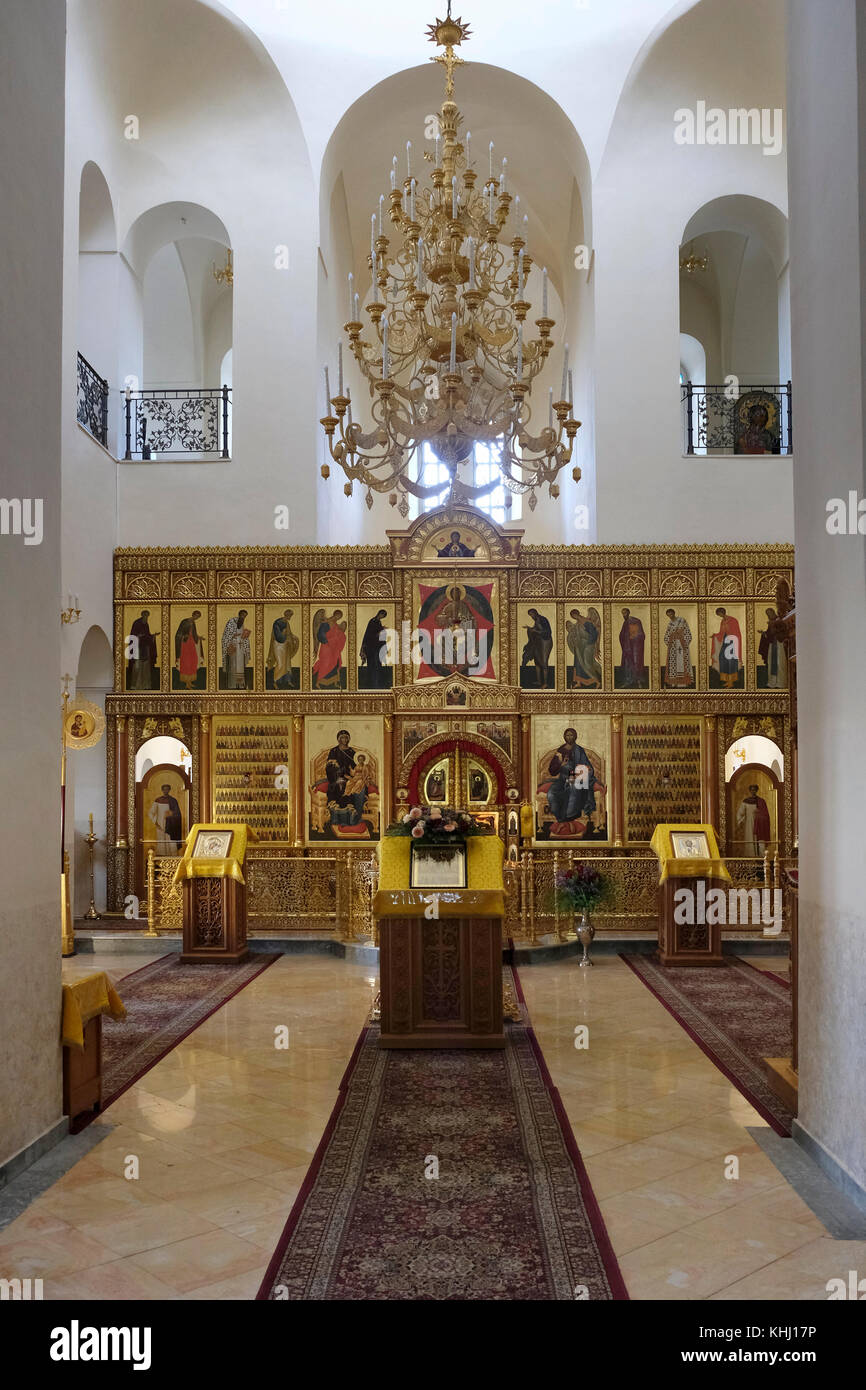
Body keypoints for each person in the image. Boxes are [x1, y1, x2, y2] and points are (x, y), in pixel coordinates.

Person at [546, 728, 596, 828]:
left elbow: (588, 767)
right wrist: (560, 763)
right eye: (567, 735)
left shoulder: (579, 750)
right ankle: (560, 818)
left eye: (571, 735)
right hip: (562, 779)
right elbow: (552, 771)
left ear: (575, 736)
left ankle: (569, 817)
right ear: (564, 737)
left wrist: (580, 775)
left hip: (577, 778)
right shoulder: (560, 751)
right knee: (551, 792)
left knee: (573, 788)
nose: (569, 737)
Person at [567, 607, 602, 687]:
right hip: (579, 647)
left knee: (587, 663)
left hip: (587, 646)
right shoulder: (577, 624)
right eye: (572, 617)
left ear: (576, 614)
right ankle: (579, 682)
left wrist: (587, 643)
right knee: (578, 664)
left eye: (574, 616)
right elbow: (575, 634)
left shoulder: (586, 621)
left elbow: (594, 635)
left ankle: (597, 681)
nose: (574, 618)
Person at [312, 609, 347, 689]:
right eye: (338, 616)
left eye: (340, 617)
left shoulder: (335, 625)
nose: (338, 618)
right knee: (325, 664)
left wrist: (341, 633)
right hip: (326, 648)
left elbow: (338, 635)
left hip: (333, 649)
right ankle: (318, 682)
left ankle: (334, 682)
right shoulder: (326, 623)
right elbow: (320, 635)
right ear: (335, 614)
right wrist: (329, 641)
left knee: (335, 664)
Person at [710, 607, 743, 687]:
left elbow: (736, 633)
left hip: (732, 642)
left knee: (731, 661)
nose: (719, 615)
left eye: (719, 614)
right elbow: (722, 633)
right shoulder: (723, 621)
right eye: (718, 614)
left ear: (722, 612)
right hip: (725, 642)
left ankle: (731, 681)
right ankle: (727, 680)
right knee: (722, 658)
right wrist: (715, 636)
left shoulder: (733, 620)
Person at [267, 609, 299, 689]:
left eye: (291, 616)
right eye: (289, 616)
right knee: (280, 664)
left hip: (285, 645)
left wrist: (293, 637)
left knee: (287, 664)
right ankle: (275, 681)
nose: (290, 617)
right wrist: (284, 635)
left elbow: (289, 634)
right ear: (286, 615)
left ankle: (287, 681)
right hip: (278, 645)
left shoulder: (286, 623)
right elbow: (278, 636)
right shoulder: (277, 623)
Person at [737, 783, 772, 856]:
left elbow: (766, 815)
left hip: (759, 825)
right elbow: (740, 813)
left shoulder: (761, 801)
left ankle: (761, 858)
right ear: (750, 791)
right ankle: (750, 856)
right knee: (750, 839)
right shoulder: (745, 801)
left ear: (757, 790)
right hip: (749, 824)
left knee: (759, 841)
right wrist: (741, 821)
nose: (753, 791)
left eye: (754, 790)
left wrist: (759, 813)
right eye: (752, 790)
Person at [127, 610, 159, 689]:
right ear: (142, 615)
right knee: (137, 667)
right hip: (137, 647)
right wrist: (138, 636)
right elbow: (133, 635)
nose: (146, 617)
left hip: (145, 648)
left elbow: (147, 635)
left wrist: (153, 636)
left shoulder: (146, 624)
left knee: (145, 667)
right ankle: (135, 686)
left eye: (147, 616)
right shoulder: (136, 623)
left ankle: (145, 685)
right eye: (145, 615)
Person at [663, 608, 693, 688]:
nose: (670, 616)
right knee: (673, 663)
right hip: (673, 646)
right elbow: (667, 635)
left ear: (674, 613)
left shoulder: (681, 620)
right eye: (668, 615)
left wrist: (682, 637)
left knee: (682, 662)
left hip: (682, 644)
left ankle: (683, 682)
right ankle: (674, 682)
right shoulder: (670, 624)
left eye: (671, 614)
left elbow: (687, 631)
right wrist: (669, 640)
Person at [522, 608, 553, 686]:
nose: (531, 616)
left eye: (532, 614)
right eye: (530, 615)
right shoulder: (536, 621)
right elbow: (535, 630)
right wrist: (529, 628)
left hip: (546, 642)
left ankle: (545, 683)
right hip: (539, 642)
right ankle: (539, 681)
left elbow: (547, 632)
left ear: (535, 613)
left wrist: (534, 631)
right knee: (537, 661)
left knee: (544, 662)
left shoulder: (543, 619)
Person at [758, 607, 788, 689]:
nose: (769, 615)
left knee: (779, 663)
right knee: (771, 664)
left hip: (779, 644)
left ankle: (781, 683)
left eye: (770, 613)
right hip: (772, 645)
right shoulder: (771, 622)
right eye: (767, 614)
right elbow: (769, 634)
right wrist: (764, 633)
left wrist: (773, 626)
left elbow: (782, 631)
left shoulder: (780, 620)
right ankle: (772, 683)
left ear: (773, 612)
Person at [149, 783, 183, 853]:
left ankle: (172, 858)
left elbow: (178, 813)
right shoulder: (158, 800)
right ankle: (161, 859)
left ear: (169, 790)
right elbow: (151, 812)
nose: (166, 791)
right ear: (162, 790)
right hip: (160, 825)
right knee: (161, 842)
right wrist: (156, 822)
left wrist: (172, 813)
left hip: (171, 825)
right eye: (164, 789)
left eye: (167, 789)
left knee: (171, 841)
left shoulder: (173, 800)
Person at [617, 608, 647, 688]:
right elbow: (622, 635)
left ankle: (638, 681)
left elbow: (640, 635)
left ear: (629, 613)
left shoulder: (635, 621)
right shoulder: (625, 623)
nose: (624, 615)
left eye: (625, 613)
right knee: (627, 664)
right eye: (622, 613)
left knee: (636, 663)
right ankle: (628, 681)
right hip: (627, 648)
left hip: (635, 647)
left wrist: (633, 639)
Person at [360, 609, 390, 688]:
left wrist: (382, 630)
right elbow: (369, 635)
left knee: (378, 666)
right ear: (378, 613)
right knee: (373, 666)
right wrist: (380, 632)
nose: (382, 616)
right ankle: (373, 684)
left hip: (377, 647)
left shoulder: (378, 622)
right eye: (381, 614)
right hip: (371, 648)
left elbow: (378, 634)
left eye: (383, 616)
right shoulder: (372, 621)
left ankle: (377, 684)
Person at [174, 610, 204, 688]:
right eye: (196, 616)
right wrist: (184, 636)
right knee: (186, 662)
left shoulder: (193, 623)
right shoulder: (184, 622)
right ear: (193, 614)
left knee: (193, 660)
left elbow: (194, 634)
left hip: (191, 643)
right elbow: (178, 634)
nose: (196, 618)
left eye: (198, 617)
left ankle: (190, 681)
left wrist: (199, 637)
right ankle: (186, 682)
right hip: (185, 644)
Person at [221, 611, 251, 689]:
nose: (243, 618)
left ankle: (240, 684)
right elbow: (226, 635)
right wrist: (233, 635)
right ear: (239, 614)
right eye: (243, 615)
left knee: (240, 667)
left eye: (245, 616)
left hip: (240, 648)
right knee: (233, 666)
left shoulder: (241, 623)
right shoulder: (231, 622)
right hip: (233, 647)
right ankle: (232, 684)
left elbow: (241, 635)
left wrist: (245, 636)